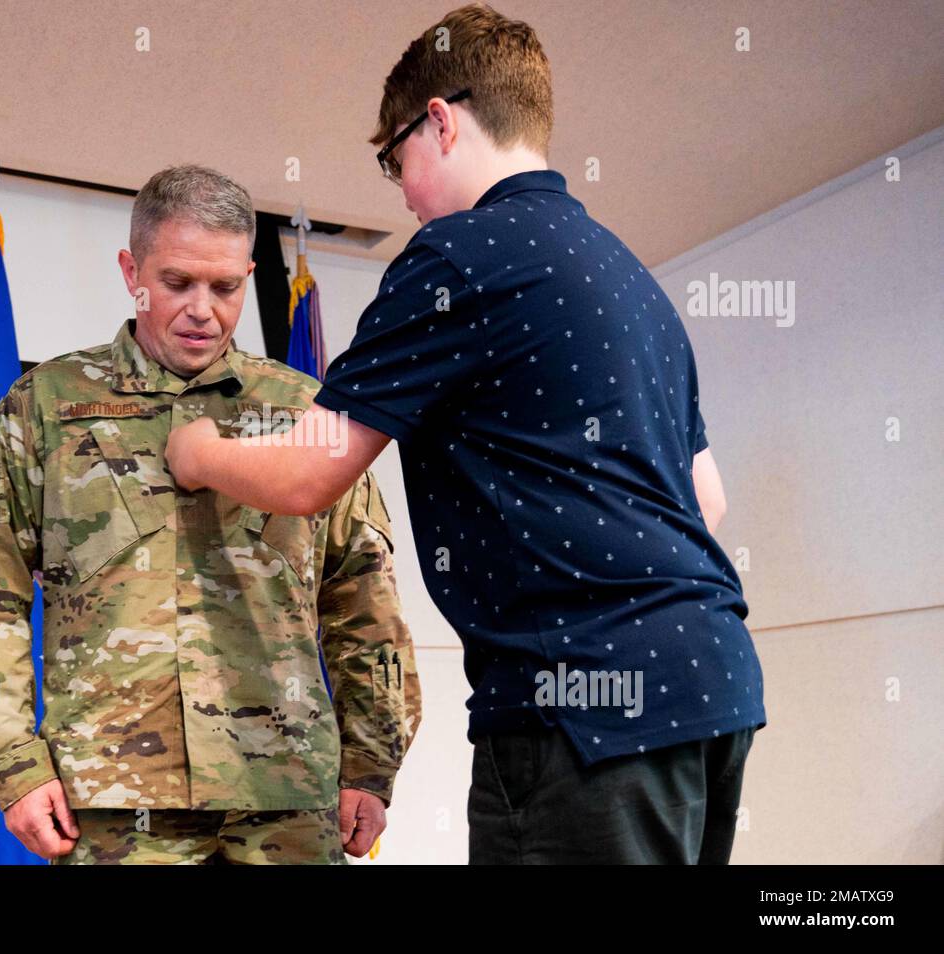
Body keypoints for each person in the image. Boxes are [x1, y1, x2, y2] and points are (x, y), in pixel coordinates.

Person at [166, 5, 766, 864]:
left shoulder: (455, 257)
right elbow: (706, 500)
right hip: (714, 687)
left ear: (440, 122)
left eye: (395, 159)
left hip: (580, 706)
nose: (403, 191)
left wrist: (196, 452)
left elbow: (306, 474)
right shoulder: (632, 278)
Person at [0, 164, 421, 865]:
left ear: (248, 273)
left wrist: (372, 762)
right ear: (131, 270)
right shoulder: (42, 409)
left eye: (226, 287)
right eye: (176, 284)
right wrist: (13, 761)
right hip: (115, 804)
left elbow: (363, 597)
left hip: (286, 796)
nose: (203, 309)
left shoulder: (306, 417)